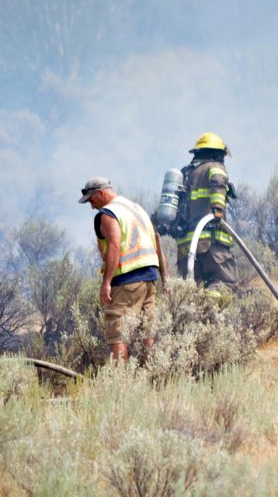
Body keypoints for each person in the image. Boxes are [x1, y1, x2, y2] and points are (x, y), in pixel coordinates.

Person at [78, 177, 159, 364]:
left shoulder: (109, 213)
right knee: (147, 333)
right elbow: (156, 238)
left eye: (92, 200)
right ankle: (152, 374)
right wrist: (164, 274)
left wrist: (106, 283)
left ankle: (120, 378)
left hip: (126, 281)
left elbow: (114, 245)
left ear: (101, 193)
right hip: (150, 279)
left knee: (118, 334)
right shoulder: (136, 208)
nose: (92, 206)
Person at [174, 132, 238, 295]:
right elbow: (218, 181)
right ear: (216, 153)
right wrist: (218, 209)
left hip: (185, 250)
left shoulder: (185, 175)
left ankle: (200, 310)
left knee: (193, 292)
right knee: (224, 284)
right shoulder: (214, 167)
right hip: (211, 245)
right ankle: (210, 306)